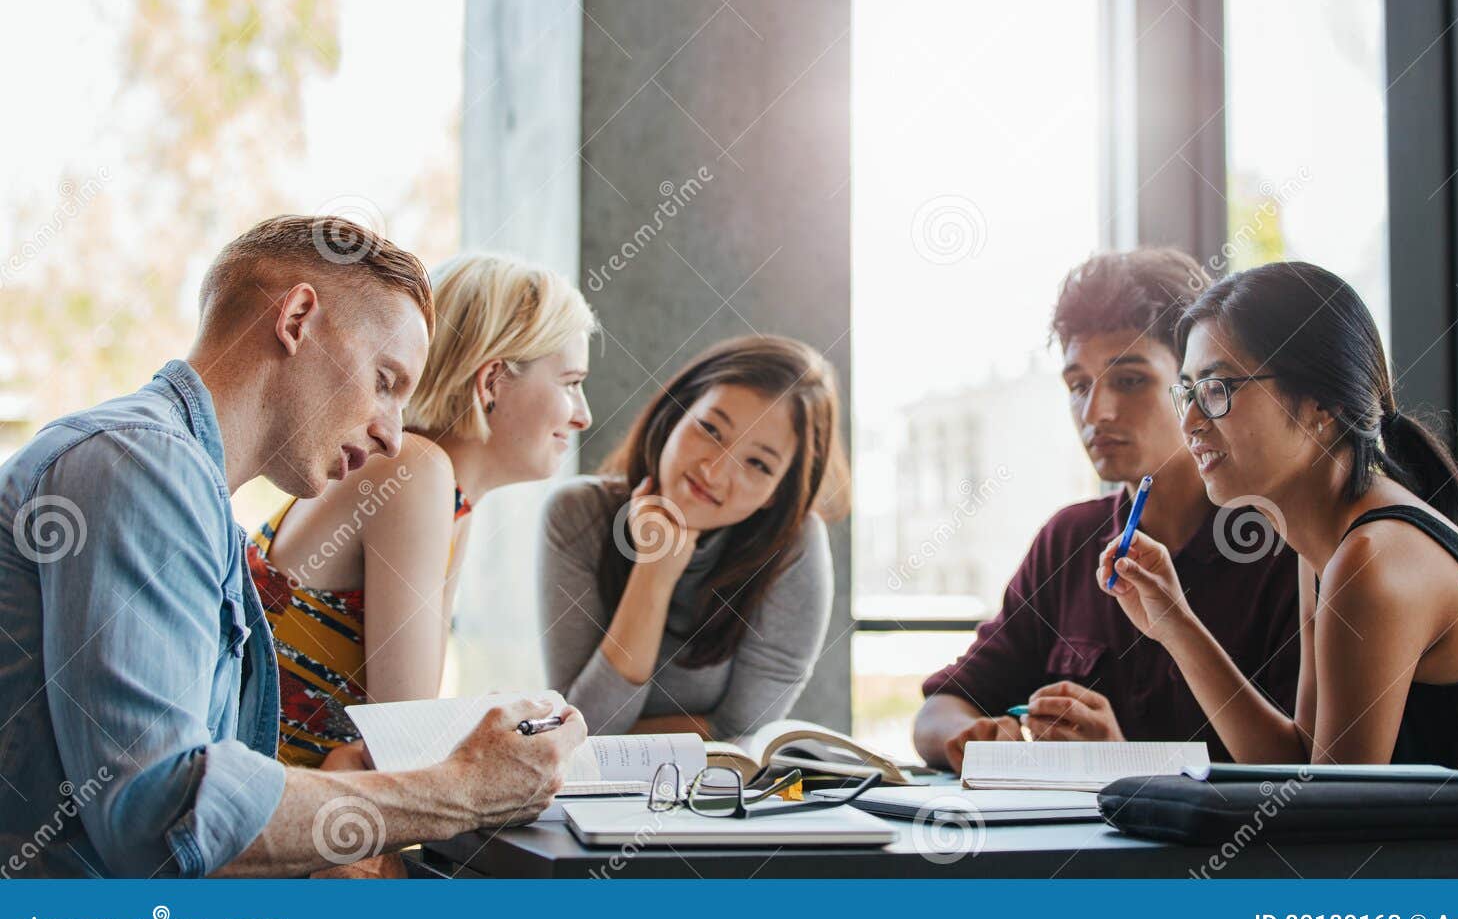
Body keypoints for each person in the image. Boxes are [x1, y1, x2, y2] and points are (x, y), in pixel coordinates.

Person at [0, 217, 585, 877]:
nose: (393, 436)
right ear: (297, 319)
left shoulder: (185, 488)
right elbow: (166, 817)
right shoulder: (141, 466)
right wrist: (464, 789)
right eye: (385, 381)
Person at [1098, 260, 1458, 872]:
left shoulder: (1374, 561)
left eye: (1218, 388)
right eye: (1187, 391)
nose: (1190, 422)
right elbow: (1302, 772)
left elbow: (1331, 842)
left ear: (1321, 406)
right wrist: (1175, 622)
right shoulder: (1331, 549)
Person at [914, 249, 1300, 771]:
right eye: (1079, 386)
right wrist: (975, 739)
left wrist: (1121, 763)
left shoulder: (1283, 548)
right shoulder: (1069, 541)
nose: (1096, 412)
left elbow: (1300, 775)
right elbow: (938, 711)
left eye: (1130, 380)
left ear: (1197, 382)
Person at [249, 253, 595, 766]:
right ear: (492, 381)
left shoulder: (448, 494)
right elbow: (402, 746)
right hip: (279, 805)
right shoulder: (412, 470)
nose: (583, 415)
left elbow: (398, 743)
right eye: (570, 383)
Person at [538, 335, 849, 740]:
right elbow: (578, 730)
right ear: (676, 413)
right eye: (711, 429)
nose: (714, 472)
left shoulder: (794, 546)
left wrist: (606, 736)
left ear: (778, 491)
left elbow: (741, 732)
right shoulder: (578, 514)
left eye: (757, 463)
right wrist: (654, 572)